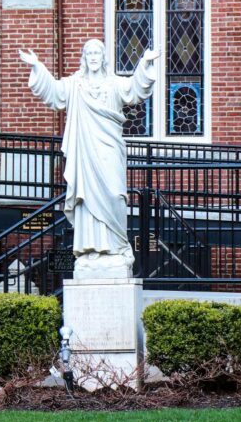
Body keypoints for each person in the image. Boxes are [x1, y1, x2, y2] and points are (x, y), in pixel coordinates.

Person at [20, 40, 159, 277]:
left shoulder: (113, 82)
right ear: (84, 58)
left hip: (109, 148)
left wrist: (145, 63)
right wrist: (37, 66)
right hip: (85, 150)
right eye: (89, 53)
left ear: (103, 57)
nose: (93, 57)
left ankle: (117, 247)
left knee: (115, 194)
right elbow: (54, 91)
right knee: (86, 200)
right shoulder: (75, 84)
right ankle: (92, 249)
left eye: (97, 53)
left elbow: (135, 89)